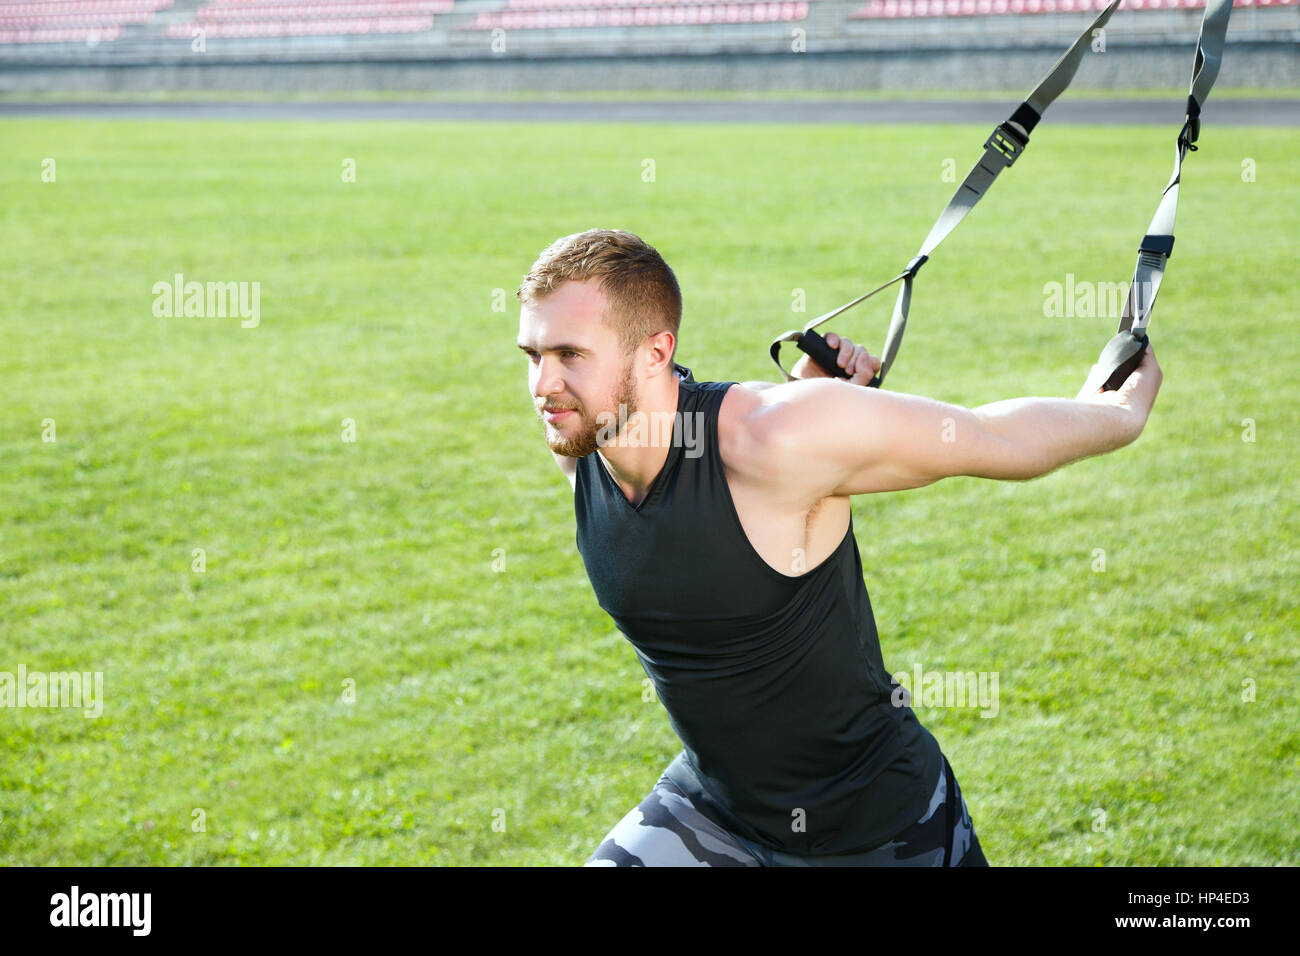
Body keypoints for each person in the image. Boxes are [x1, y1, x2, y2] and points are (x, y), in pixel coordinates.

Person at [515, 228, 1162, 866]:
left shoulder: (776, 439)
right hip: (718, 814)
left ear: (655, 352)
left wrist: (1115, 414)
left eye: (571, 354)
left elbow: (986, 437)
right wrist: (807, 388)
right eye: (532, 354)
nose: (543, 385)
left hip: (880, 830)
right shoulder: (581, 450)